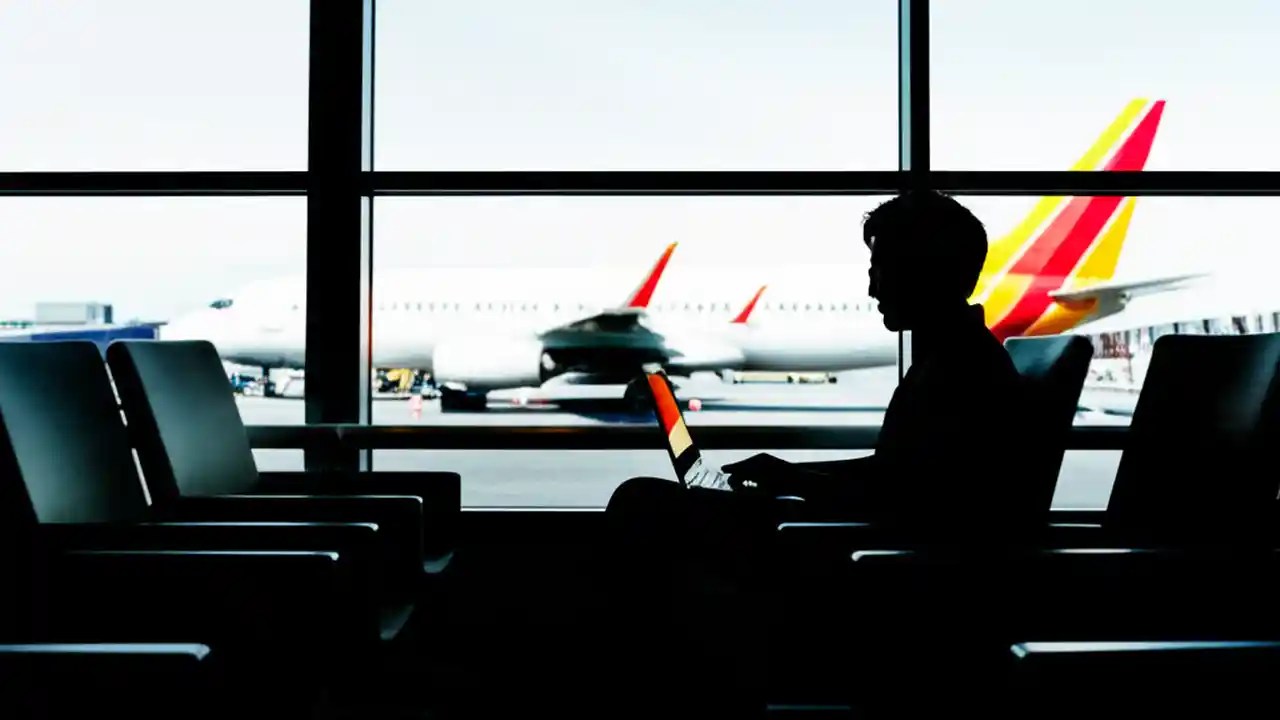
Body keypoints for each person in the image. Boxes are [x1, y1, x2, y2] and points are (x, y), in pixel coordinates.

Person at [599, 190, 1031, 714]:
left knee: (641, 503)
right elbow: (905, 476)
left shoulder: (961, 371)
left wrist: (798, 488)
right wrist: (791, 476)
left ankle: (638, 698)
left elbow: (912, 499)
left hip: (872, 567)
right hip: (871, 549)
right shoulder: (959, 356)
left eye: (883, 267)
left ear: (927, 270)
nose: (872, 286)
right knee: (653, 506)